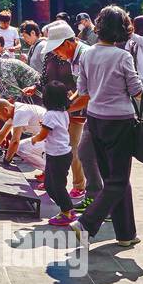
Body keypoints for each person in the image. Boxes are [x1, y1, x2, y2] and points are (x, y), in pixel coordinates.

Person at [67, 5, 143, 248]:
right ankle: (87, 223)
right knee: (118, 180)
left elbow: (83, 90)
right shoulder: (122, 56)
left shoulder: (87, 54)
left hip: (95, 119)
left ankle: (125, 233)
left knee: (116, 179)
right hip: (119, 121)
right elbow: (136, 90)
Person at [37, 21, 102, 210]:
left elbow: (87, 95)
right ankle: (95, 196)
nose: (56, 54)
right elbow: (80, 91)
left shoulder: (85, 55)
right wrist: (64, 106)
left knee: (89, 155)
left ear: (67, 43)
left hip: (104, 111)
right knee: (85, 154)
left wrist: (61, 110)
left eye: (57, 50)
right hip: (94, 111)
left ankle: (101, 201)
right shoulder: (75, 58)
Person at [34, 82, 78, 226]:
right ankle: (66, 208)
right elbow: (56, 128)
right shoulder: (63, 112)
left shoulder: (50, 115)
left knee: (57, 186)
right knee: (49, 185)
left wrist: (35, 138)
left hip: (58, 155)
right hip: (60, 153)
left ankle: (68, 211)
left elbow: (42, 136)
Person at [0, 97, 48, 172]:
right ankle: (47, 171)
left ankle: (49, 172)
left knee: (20, 148)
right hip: (45, 138)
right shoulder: (14, 112)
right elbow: (1, 135)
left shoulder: (20, 112)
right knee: (22, 147)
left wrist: (6, 161)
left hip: (54, 139)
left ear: (5, 110)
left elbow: (15, 141)